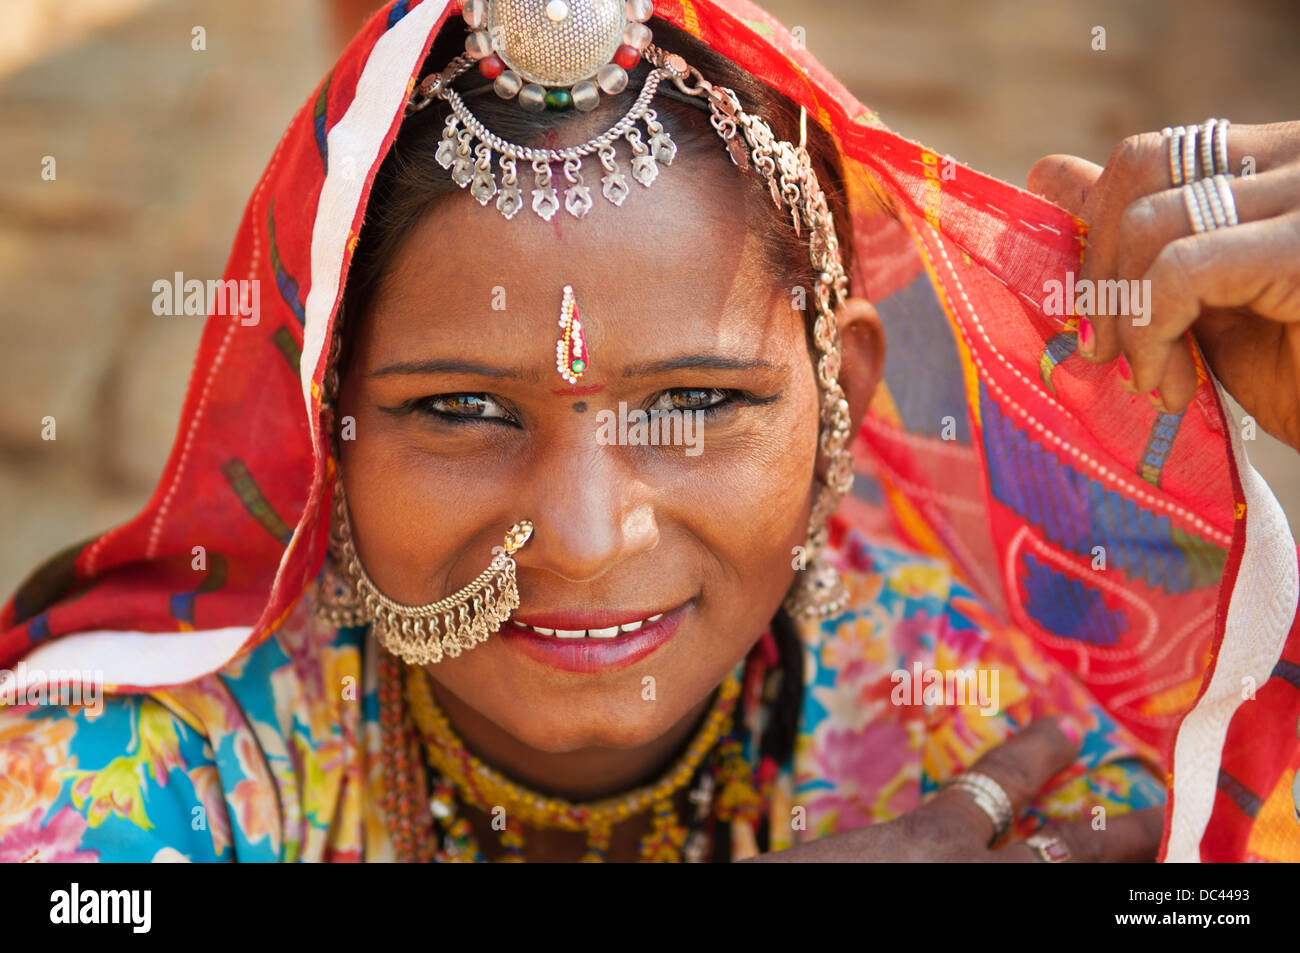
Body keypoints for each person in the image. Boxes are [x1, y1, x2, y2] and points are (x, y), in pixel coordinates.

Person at [1, 0, 1297, 863]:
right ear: (321, 432)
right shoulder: (127, 783)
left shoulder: (1000, 719)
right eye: (461, 410)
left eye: (695, 403)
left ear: (836, 394)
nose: (576, 537)